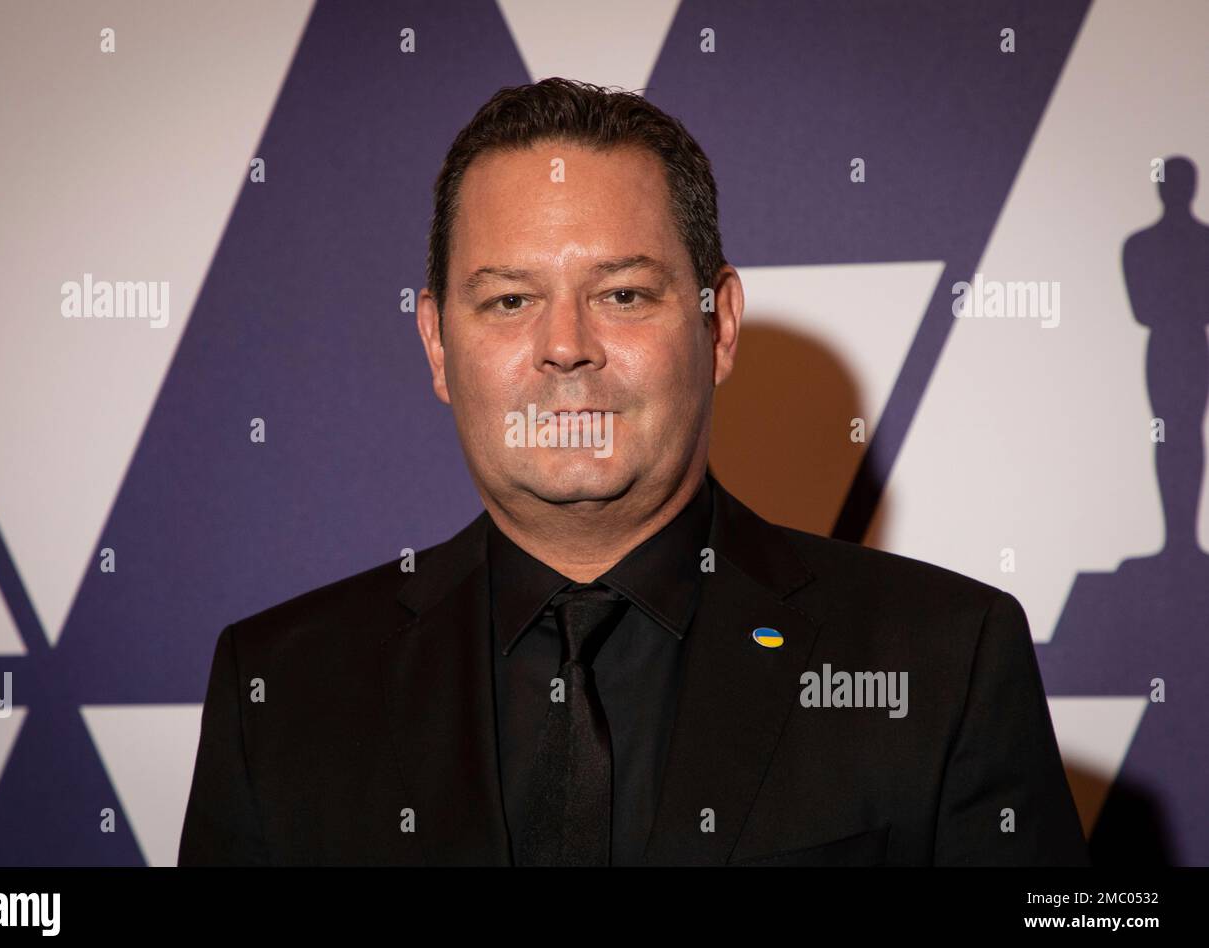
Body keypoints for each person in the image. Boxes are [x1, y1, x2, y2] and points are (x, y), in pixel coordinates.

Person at [178, 77, 1088, 866]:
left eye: (623, 294)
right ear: (437, 345)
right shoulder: (282, 689)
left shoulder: (946, 663)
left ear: (718, 324)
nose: (566, 347)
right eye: (508, 300)